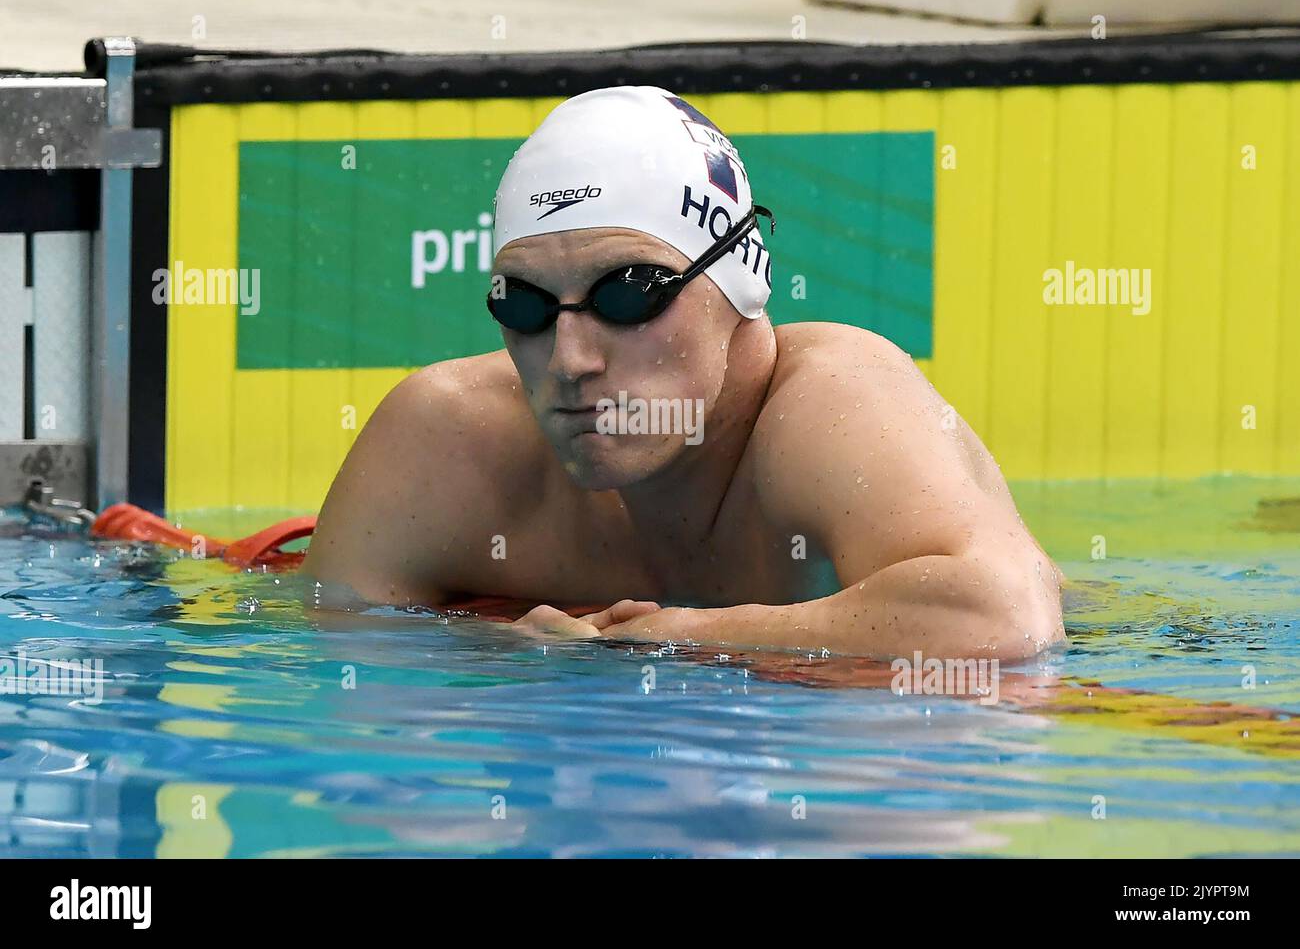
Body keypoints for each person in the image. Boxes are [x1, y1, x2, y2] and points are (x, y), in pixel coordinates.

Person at [303, 85, 1064, 660]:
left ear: (741, 279)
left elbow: (1006, 619)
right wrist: (497, 650)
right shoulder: (445, 438)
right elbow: (325, 645)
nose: (570, 360)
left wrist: (681, 636)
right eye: (527, 304)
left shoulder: (833, 402)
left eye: (630, 294)